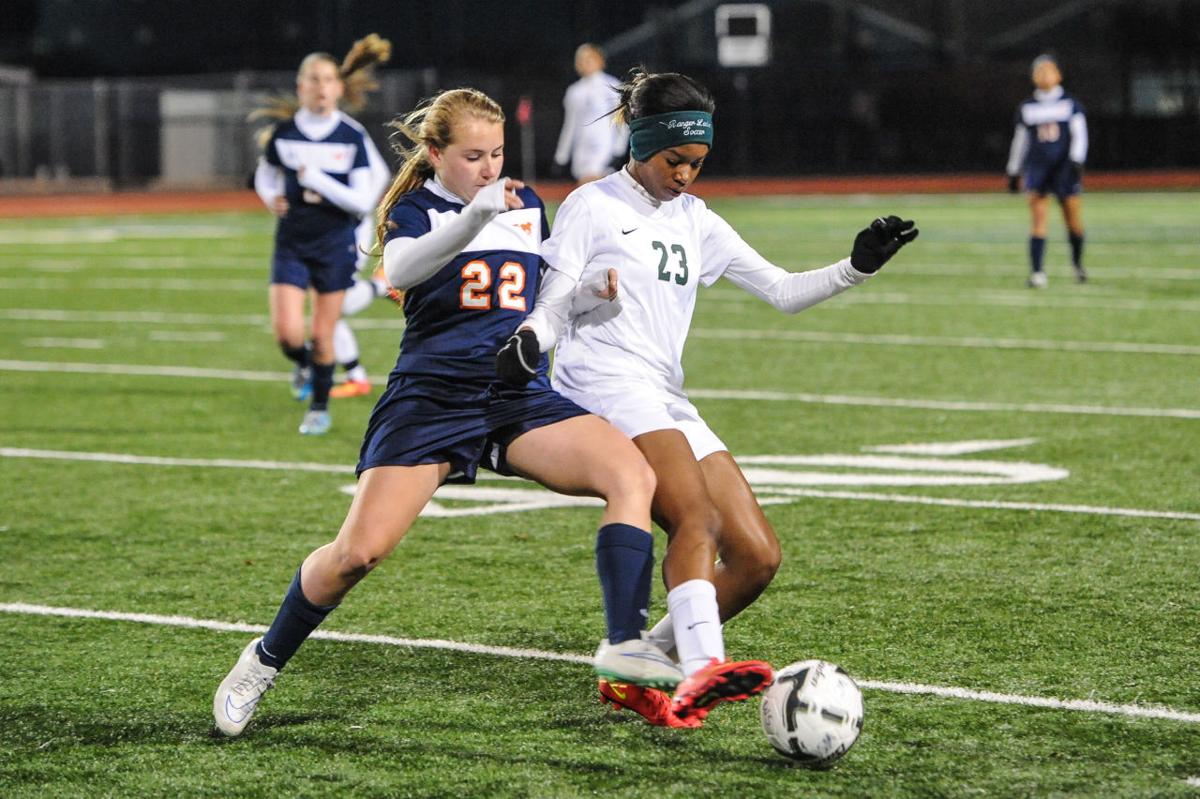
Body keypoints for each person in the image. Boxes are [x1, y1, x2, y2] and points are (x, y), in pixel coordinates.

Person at [213, 87, 684, 737]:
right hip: (432, 398)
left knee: (630, 475)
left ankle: (625, 645)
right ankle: (262, 659)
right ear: (435, 155)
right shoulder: (416, 208)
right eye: (472, 156)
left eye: (496, 153)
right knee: (356, 555)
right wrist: (473, 218)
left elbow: (543, 304)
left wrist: (590, 295)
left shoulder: (522, 205)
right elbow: (402, 268)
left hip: (513, 394)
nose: (489, 168)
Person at [498, 69, 918, 727]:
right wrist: (529, 337)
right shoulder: (592, 204)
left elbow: (781, 290)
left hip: (663, 393)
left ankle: (629, 662)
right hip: (604, 384)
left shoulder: (695, 218)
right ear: (640, 141)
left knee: (756, 555)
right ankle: (702, 669)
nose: (688, 174)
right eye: (676, 160)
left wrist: (856, 266)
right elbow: (551, 301)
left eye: (698, 162)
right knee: (697, 519)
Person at [251, 34, 391, 432]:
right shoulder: (285, 133)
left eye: (328, 79)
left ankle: (318, 408)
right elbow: (265, 173)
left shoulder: (351, 136)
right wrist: (270, 197)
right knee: (287, 334)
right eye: (313, 79)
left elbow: (361, 201)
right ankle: (302, 364)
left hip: (335, 244)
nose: (321, 87)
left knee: (323, 332)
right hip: (292, 243)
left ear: (339, 87)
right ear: (301, 87)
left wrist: (316, 179)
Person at [1005, 53, 1089, 288]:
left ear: (1059, 74)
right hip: (1038, 168)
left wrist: (1077, 160)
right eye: (1039, 71)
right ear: (1033, 76)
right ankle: (1038, 273)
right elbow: (1019, 142)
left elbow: (1080, 134)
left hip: (1063, 168)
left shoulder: (1070, 104)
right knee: (1038, 220)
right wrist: (1013, 171)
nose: (1044, 74)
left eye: (1048, 70)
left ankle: (1077, 264)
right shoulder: (1027, 108)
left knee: (1072, 220)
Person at [553, 44, 628, 184]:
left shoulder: (611, 86)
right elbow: (570, 124)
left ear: (600, 60)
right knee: (583, 187)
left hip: (602, 144)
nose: (584, 62)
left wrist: (619, 148)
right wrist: (561, 155)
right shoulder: (574, 91)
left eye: (589, 58)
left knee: (594, 182)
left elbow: (621, 120)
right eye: (580, 59)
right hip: (581, 147)